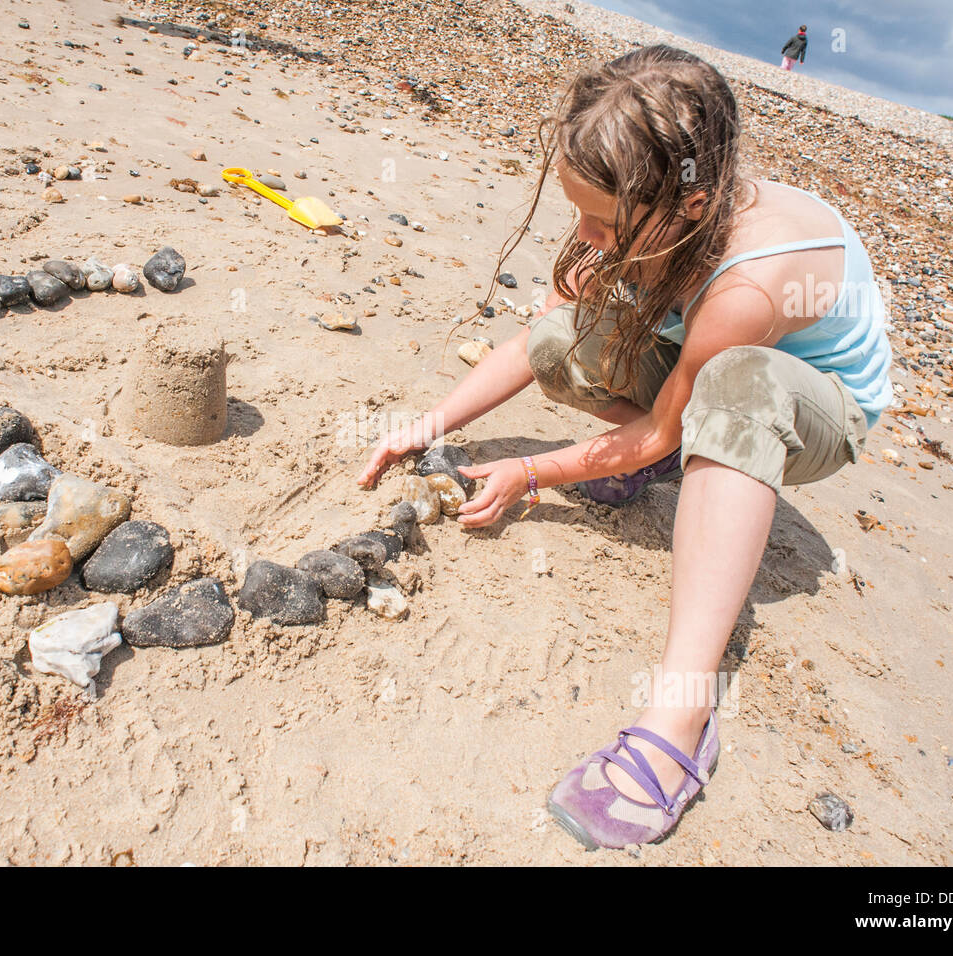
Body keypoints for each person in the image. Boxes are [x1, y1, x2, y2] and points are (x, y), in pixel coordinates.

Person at [356, 44, 892, 849]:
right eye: (578, 210)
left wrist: (535, 471)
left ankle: (682, 711)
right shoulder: (645, 216)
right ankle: (680, 459)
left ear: (690, 204)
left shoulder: (753, 282)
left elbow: (678, 412)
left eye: (602, 221)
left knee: (735, 386)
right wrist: (430, 424)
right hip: (699, 361)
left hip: (813, 411)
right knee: (565, 339)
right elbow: (543, 336)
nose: (585, 234)